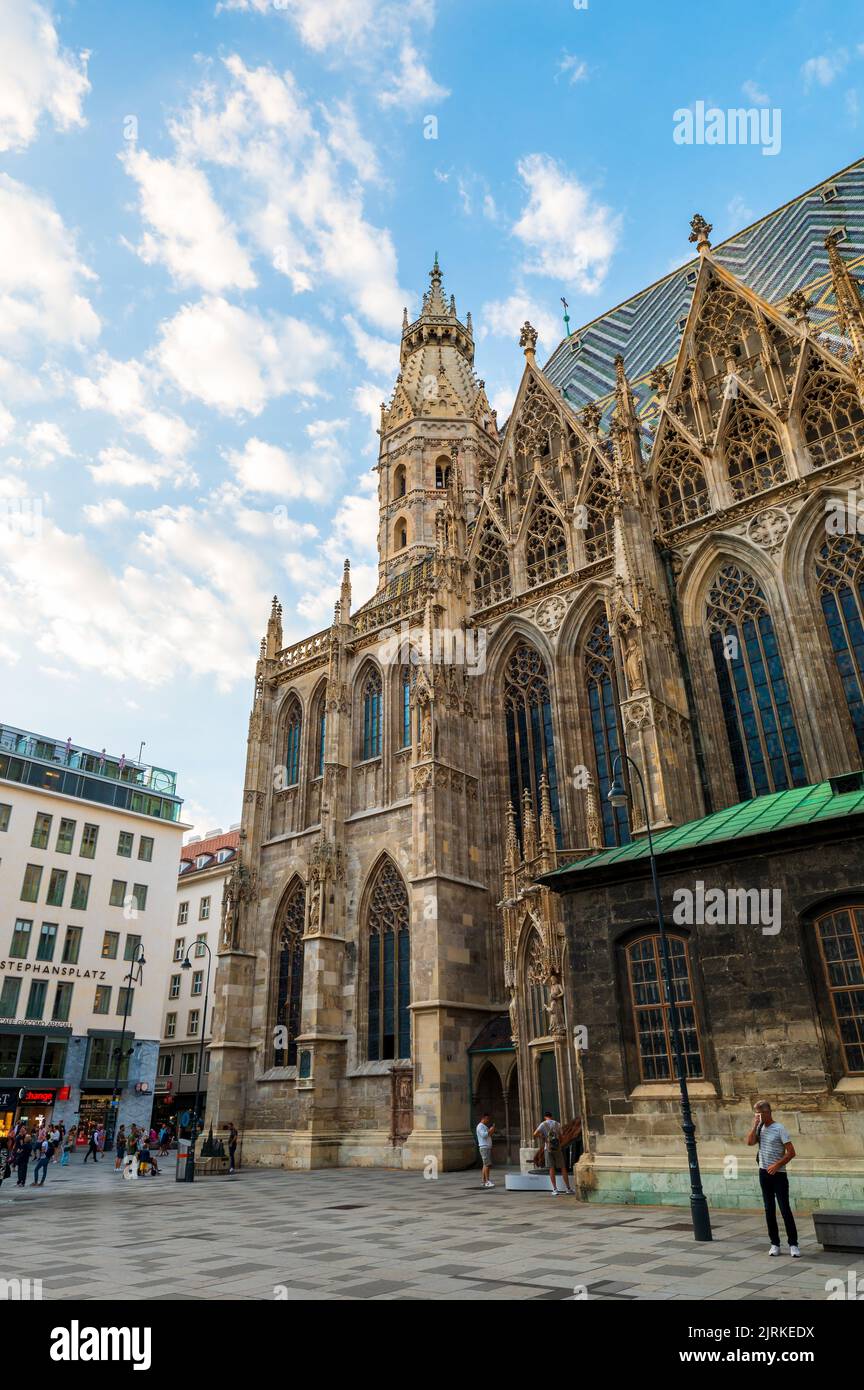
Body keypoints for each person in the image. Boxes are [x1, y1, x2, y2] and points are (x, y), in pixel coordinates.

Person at [747, 1100, 800, 1257]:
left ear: (767, 1112)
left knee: (785, 1209)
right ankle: (775, 1243)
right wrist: (755, 1125)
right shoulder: (760, 1128)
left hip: (779, 1175)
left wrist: (777, 1165)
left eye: (759, 1113)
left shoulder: (779, 1128)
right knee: (769, 1209)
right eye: (755, 1113)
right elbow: (749, 1142)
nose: (757, 1115)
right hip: (764, 1173)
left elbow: (791, 1152)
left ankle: (793, 1244)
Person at [532, 1110, 574, 1195]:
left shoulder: (543, 1124)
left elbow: (534, 1134)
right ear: (551, 1116)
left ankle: (555, 1189)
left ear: (545, 1117)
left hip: (548, 1148)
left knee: (551, 1168)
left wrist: (543, 1136)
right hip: (557, 1148)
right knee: (563, 1167)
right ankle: (568, 1188)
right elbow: (562, 1136)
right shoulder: (557, 1124)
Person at [475, 1112, 495, 1189]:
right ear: (483, 1118)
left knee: (485, 1164)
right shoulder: (480, 1126)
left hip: (486, 1147)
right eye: (487, 1119)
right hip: (484, 1147)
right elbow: (484, 1135)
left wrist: (491, 1131)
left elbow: (488, 1135)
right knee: (487, 1164)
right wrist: (491, 1130)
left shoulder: (484, 1126)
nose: (488, 1120)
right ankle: (487, 1181)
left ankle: (484, 1181)